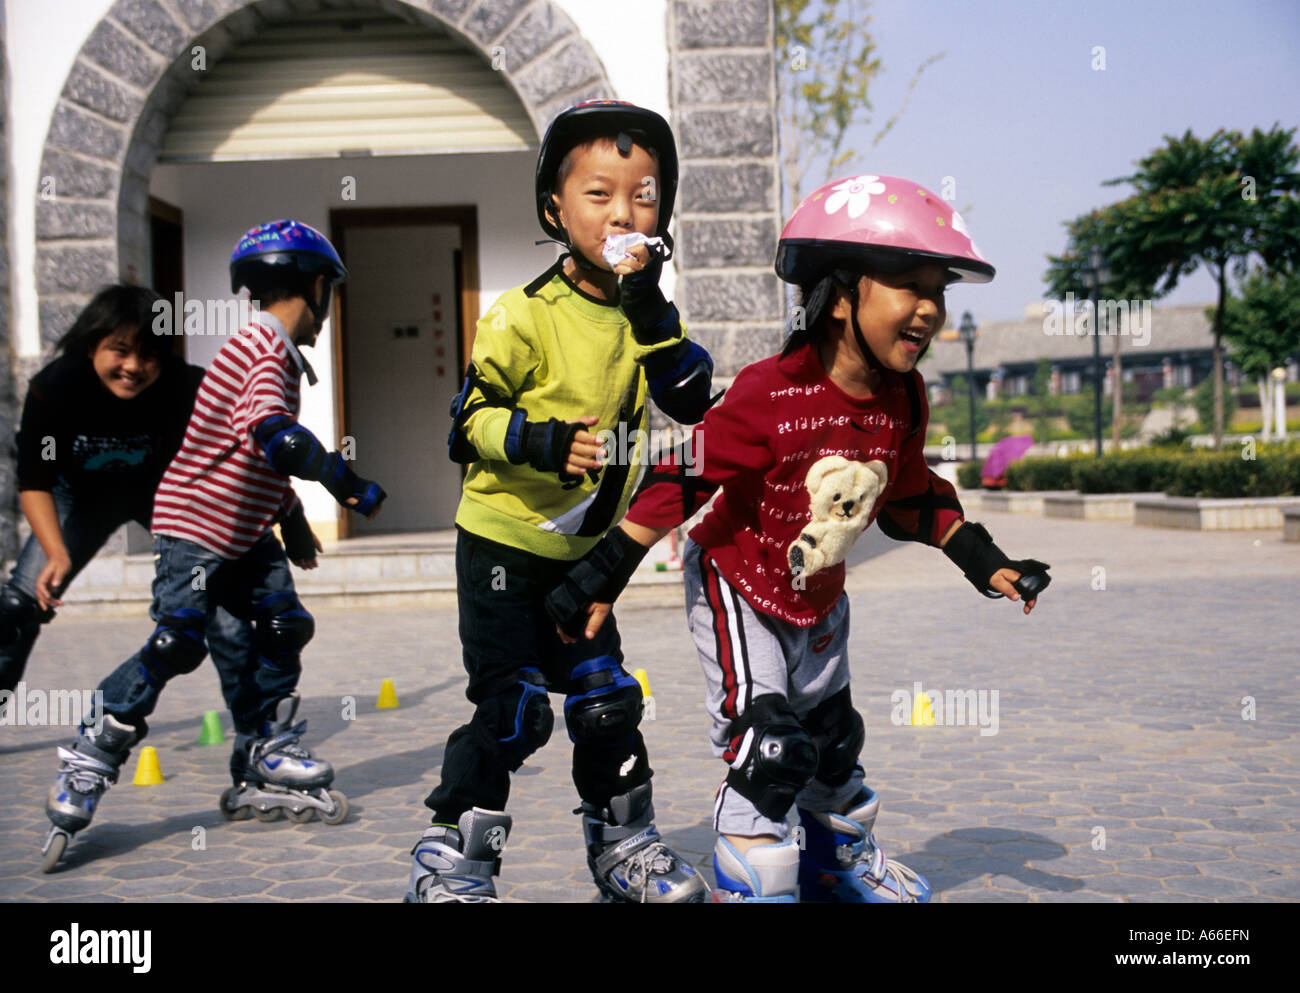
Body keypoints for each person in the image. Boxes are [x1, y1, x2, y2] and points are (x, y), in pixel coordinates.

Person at [547, 174, 1052, 902]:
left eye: (939, 292)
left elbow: (911, 495)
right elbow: (685, 477)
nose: (930, 310)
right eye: (910, 286)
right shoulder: (770, 391)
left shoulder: (902, 398)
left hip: (818, 596)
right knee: (771, 744)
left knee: (832, 742)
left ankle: (834, 861)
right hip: (738, 581)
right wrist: (604, 570)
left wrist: (986, 561)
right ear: (840, 294)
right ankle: (755, 881)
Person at [407, 100, 715, 903]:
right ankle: (452, 862)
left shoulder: (650, 319)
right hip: (504, 547)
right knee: (514, 710)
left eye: (643, 195)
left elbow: (691, 400)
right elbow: (466, 427)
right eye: (599, 194)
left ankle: (624, 849)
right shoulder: (521, 314)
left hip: (585, 557)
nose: (622, 212)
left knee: (607, 699)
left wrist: (649, 305)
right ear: (554, 207)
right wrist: (542, 440)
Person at [41, 221, 387, 871]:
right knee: (180, 639)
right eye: (328, 293)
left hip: (245, 531)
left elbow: (252, 457)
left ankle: (265, 747)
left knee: (282, 625)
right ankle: (95, 747)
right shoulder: (262, 346)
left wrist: (291, 519)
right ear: (316, 286)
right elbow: (275, 437)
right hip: (195, 530)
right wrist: (342, 480)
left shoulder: (275, 351)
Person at [0, 284, 268, 708]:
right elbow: (35, 481)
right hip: (80, 497)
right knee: (18, 607)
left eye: (148, 356)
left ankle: (257, 730)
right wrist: (56, 553)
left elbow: (240, 454)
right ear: (92, 346)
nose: (133, 366)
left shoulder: (188, 387)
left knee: (222, 604)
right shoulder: (55, 389)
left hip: (165, 496)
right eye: (119, 350)